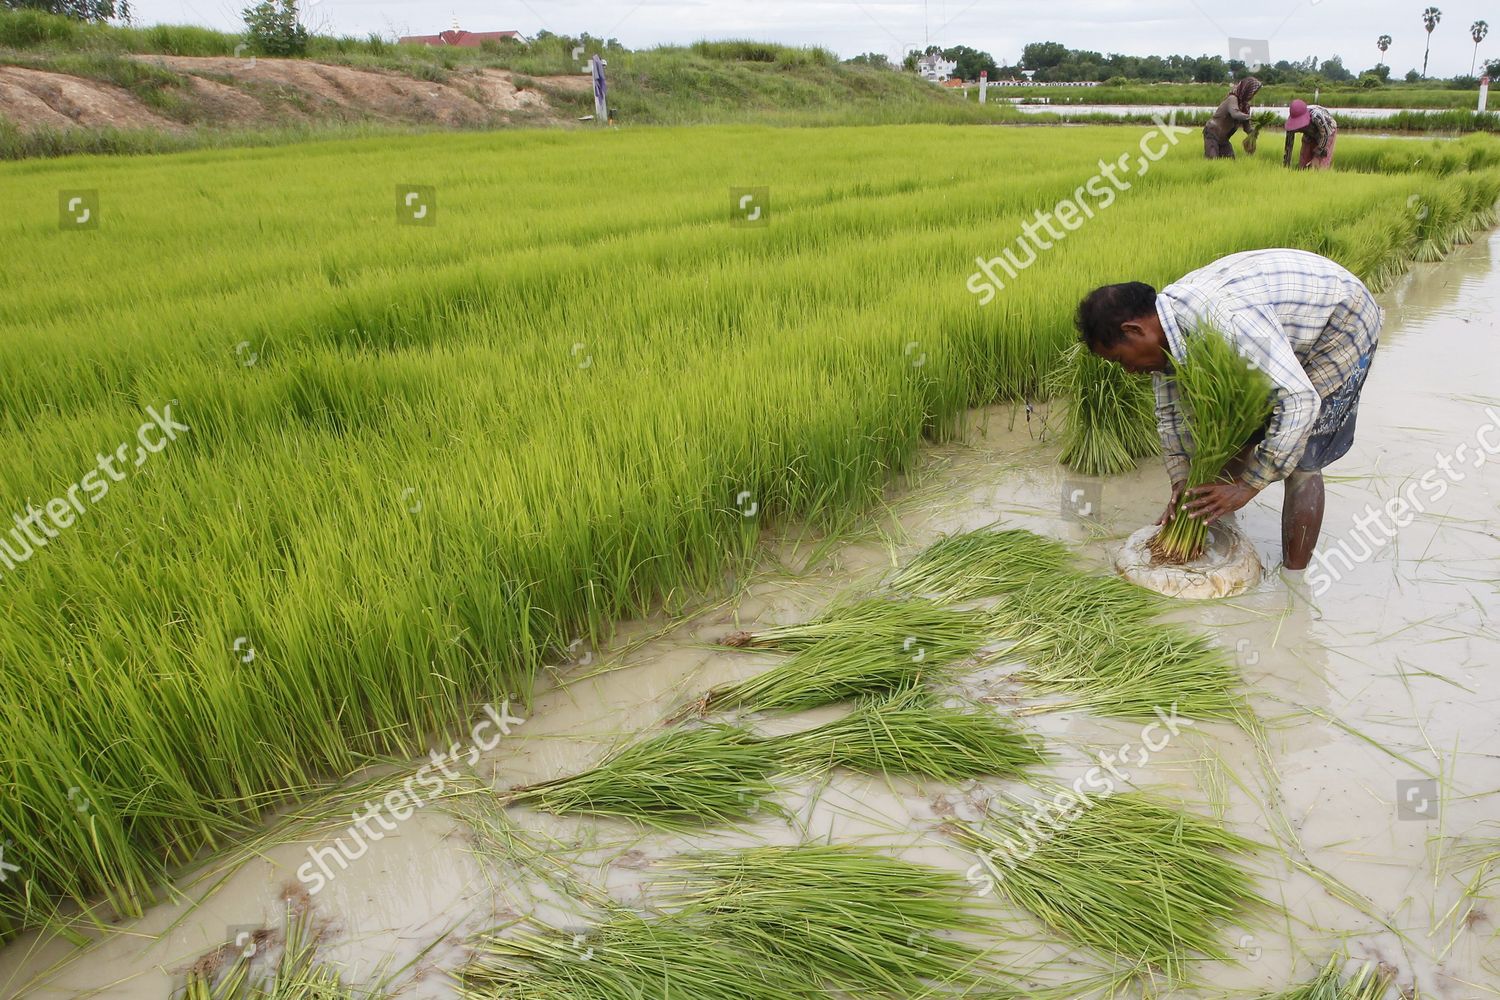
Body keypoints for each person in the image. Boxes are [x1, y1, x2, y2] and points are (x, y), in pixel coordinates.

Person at [1074, 249, 1382, 573]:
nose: (1128, 371)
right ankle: (1224, 533)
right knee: (1233, 429)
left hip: (1341, 321)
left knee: (1303, 459)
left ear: (1134, 330)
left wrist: (1249, 485)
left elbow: (1299, 400)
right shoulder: (1168, 335)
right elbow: (1172, 417)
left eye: (1122, 359)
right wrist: (1182, 485)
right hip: (1276, 327)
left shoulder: (1228, 320)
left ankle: (1295, 580)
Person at [1204, 76, 1262, 159]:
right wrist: (1251, 117)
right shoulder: (1232, 99)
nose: (1253, 95)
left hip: (1224, 138)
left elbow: (1247, 128)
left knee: (1230, 160)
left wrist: (1254, 132)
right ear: (1246, 90)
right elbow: (1235, 114)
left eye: (1255, 93)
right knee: (1212, 160)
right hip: (1212, 133)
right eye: (1252, 92)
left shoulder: (1245, 107)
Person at [1284, 99, 1337, 169]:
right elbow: (1288, 147)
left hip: (1327, 132)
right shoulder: (1291, 123)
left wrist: (1316, 157)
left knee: (1319, 165)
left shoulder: (1317, 116)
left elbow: (1325, 136)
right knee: (1303, 162)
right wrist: (1286, 166)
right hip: (1309, 132)